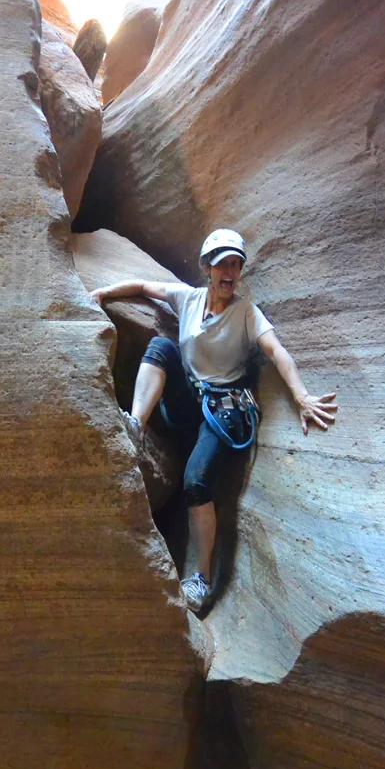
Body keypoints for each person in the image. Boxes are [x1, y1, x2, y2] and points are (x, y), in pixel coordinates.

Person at [90, 229, 337, 612]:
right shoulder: (187, 298)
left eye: (236, 264)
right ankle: (135, 426)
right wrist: (104, 293)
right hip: (188, 402)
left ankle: (201, 579)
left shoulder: (246, 313)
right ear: (207, 268)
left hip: (223, 411)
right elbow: (142, 285)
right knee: (160, 347)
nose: (230, 271)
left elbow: (277, 351)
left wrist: (302, 397)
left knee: (196, 481)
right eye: (223, 263)